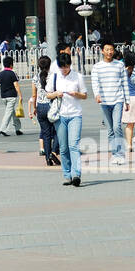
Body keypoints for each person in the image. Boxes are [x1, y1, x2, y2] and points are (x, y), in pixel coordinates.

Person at [49, 53, 89, 185]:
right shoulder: (54, 77)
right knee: (64, 147)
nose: (64, 70)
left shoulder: (77, 77)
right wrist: (56, 94)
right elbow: (48, 94)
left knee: (74, 145)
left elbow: (85, 96)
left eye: (66, 67)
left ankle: (76, 174)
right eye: (62, 67)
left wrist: (76, 94)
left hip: (75, 114)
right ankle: (67, 174)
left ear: (70, 65)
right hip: (60, 116)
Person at [91, 41, 128, 166]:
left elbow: (124, 83)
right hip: (105, 102)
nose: (109, 52)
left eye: (111, 49)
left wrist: (127, 100)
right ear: (102, 51)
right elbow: (95, 82)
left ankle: (121, 154)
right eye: (107, 49)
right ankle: (114, 154)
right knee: (110, 130)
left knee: (117, 126)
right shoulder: (97, 67)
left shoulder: (119, 65)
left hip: (118, 99)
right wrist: (97, 94)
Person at [30, 55, 58, 166]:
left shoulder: (35, 77)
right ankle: (54, 151)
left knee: (45, 134)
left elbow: (33, 94)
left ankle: (47, 158)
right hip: (51, 105)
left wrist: (34, 108)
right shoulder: (53, 76)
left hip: (40, 106)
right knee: (57, 131)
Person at [0, 55, 23, 137]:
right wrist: (20, 95)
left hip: (4, 96)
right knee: (8, 113)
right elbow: (16, 85)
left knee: (12, 112)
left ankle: (18, 128)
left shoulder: (0, 74)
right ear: (11, 64)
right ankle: (2, 129)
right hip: (12, 96)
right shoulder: (12, 73)